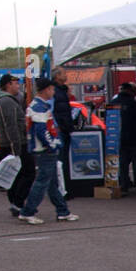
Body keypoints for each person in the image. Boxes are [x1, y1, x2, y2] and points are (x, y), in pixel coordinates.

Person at [17, 78, 77, 224]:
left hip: (42, 149)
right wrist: (53, 145)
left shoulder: (38, 105)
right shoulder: (40, 107)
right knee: (43, 182)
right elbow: (41, 131)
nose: (54, 92)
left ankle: (62, 211)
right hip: (44, 150)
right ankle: (28, 211)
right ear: (46, 90)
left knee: (51, 183)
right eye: (52, 89)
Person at [0, 73, 32, 217]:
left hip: (10, 144)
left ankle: (16, 203)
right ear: (8, 84)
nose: (18, 86)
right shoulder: (6, 102)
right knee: (28, 172)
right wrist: (15, 148)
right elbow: (11, 126)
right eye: (16, 83)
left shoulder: (6, 100)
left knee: (15, 175)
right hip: (15, 144)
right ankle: (18, 203)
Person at [110, 82, 136, 193]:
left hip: (118, 138)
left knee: (122, 163)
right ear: (131, 91)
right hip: (134, 138)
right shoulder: (134, 104)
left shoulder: (112, 103)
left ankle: (124, 184)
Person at [51, 67, 75, 199]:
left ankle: (64, 189)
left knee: (63, 161)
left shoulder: (61, 91)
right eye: (63, 73)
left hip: (65, 128)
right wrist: (57, 127)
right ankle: (60, 191)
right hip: (60, 130)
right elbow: (51, 110)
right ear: (57, 76)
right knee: (60, 162)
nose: (66, 75)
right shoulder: (54, 91)